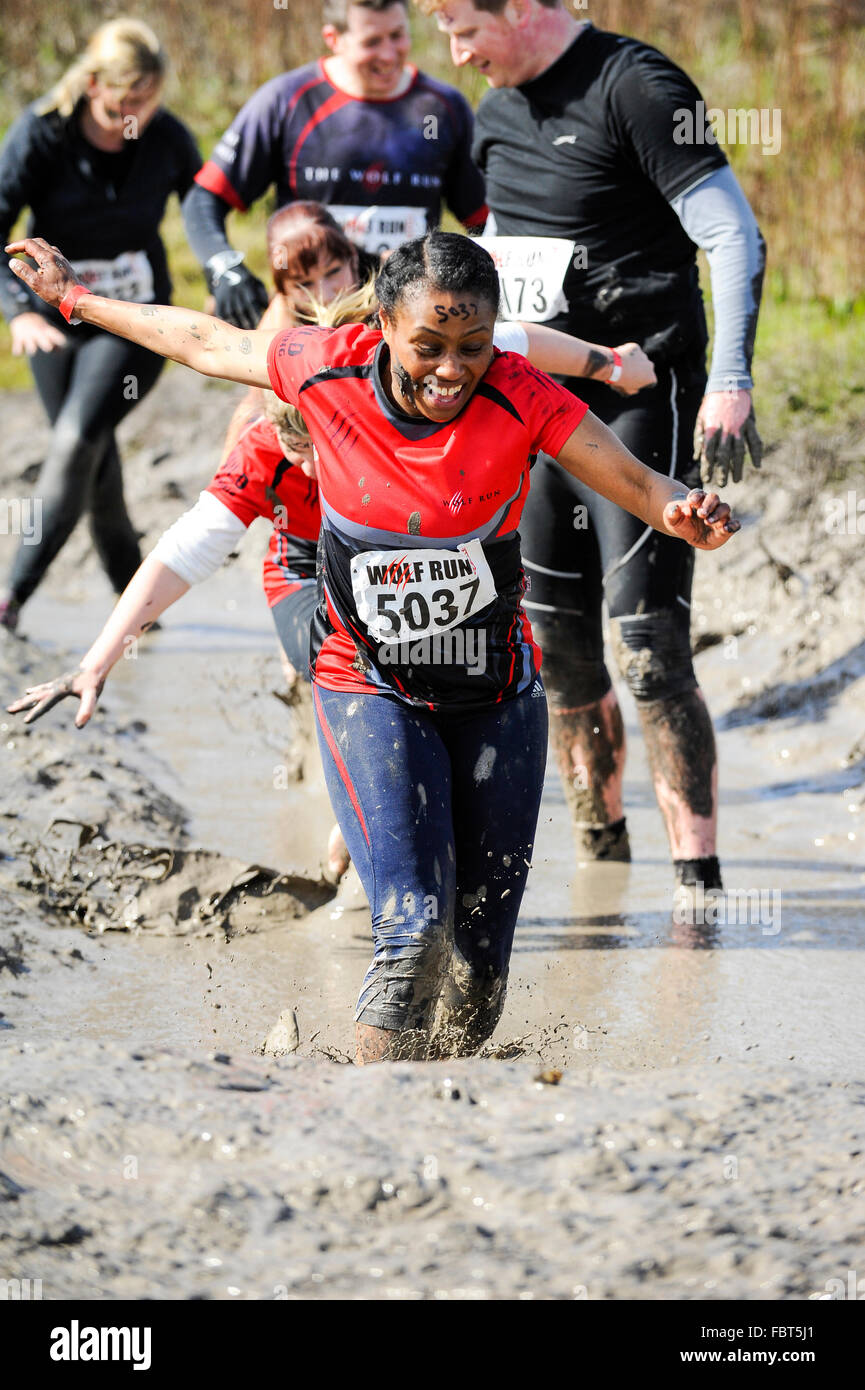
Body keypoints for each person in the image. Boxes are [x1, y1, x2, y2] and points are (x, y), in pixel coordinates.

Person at [5, 230, 739, 1063]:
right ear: (384, 326)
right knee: (413, 930)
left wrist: (687, 512)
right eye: (427, 346)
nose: (450, 370)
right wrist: (74, 300)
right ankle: (366, 1119)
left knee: (480, 964)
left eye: (470, 347)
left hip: (495, 691)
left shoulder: (519, 389)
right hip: (367, 683)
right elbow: (204, 341)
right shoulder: (323, 366)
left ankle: (445, 1115)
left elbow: (644, 487)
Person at [421, 0, 766, 894]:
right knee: (560, 651)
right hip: (535, 407)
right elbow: (499, 256)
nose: (455, 55)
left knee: (648, 649)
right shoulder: (494, 117)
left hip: (645, 393)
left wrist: (730, 378)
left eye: (463, 28)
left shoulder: (635, 87)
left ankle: (699, 890)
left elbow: (731, 234)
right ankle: (602, 868)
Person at [0, 19, 202, 633]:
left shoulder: (165, 138)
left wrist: (223, 272)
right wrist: (19, 311)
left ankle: (9, 598)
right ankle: (139, 613)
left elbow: (202, 209)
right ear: (92, 84)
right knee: (95, 463)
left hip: (134, 319)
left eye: (147, 101)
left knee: (77, 438)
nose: (133, 115)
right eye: (123, 101)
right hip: (54, 321)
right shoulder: (41, 132)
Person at [182, 0, 488, 329]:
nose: (388, 54)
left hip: (406, 319)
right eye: (371, 42)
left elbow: (485, 222)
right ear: (333, 38)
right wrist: (224, 266)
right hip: (310, 321)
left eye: (397, 35)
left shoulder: (443, 108)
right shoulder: (288, 101)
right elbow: (204, 201)